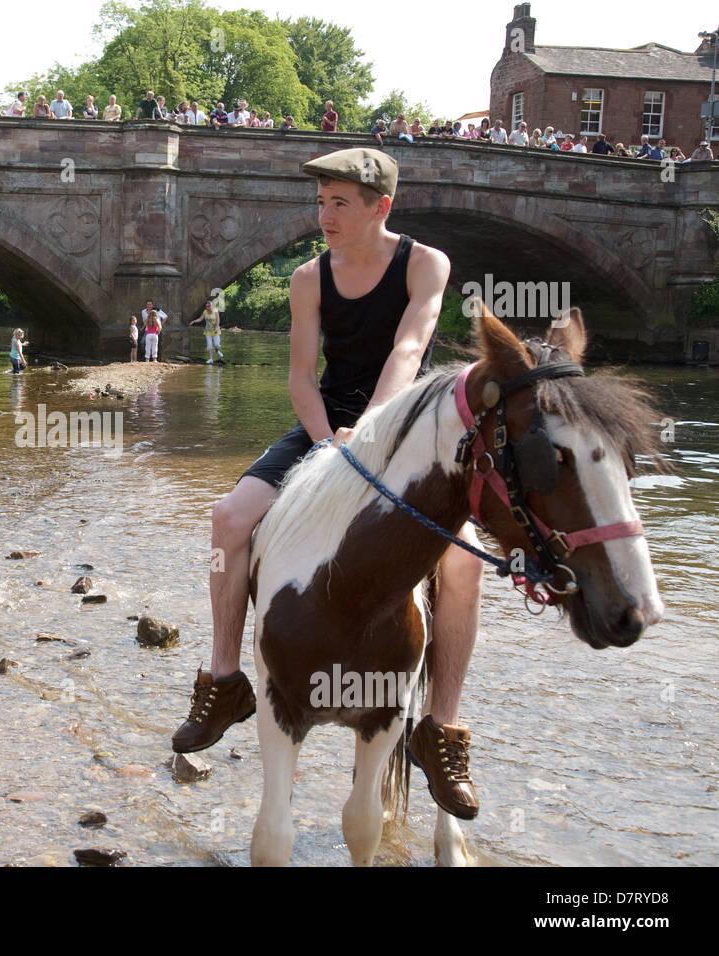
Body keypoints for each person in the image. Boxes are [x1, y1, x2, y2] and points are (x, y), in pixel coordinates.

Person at [170, 146, 484, 824]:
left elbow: (409, 348)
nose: (325, 215)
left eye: (340, 203)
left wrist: (370, 436)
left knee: (462, 560)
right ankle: (225, 681)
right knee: (228, 519)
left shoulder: (426, 264)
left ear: (380, 207)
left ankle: (440, 730)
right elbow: (300, 378)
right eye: (321, 202)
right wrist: (327, 445)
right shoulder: (309, 278)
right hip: (324, 427)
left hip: (407, 429)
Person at [189, 298, 223, 363]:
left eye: (208, 306)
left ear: (211, 306)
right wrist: (194, 321)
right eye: (206, 306)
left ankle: (217, 351)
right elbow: (200, 319)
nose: (207, 308)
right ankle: (211, 359)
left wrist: (216, 327)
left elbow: (218, 320)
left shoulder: (215, 311)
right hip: (208, 331)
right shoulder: (205, 312)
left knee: (217, 345)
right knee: (209, 345)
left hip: (215, 330)